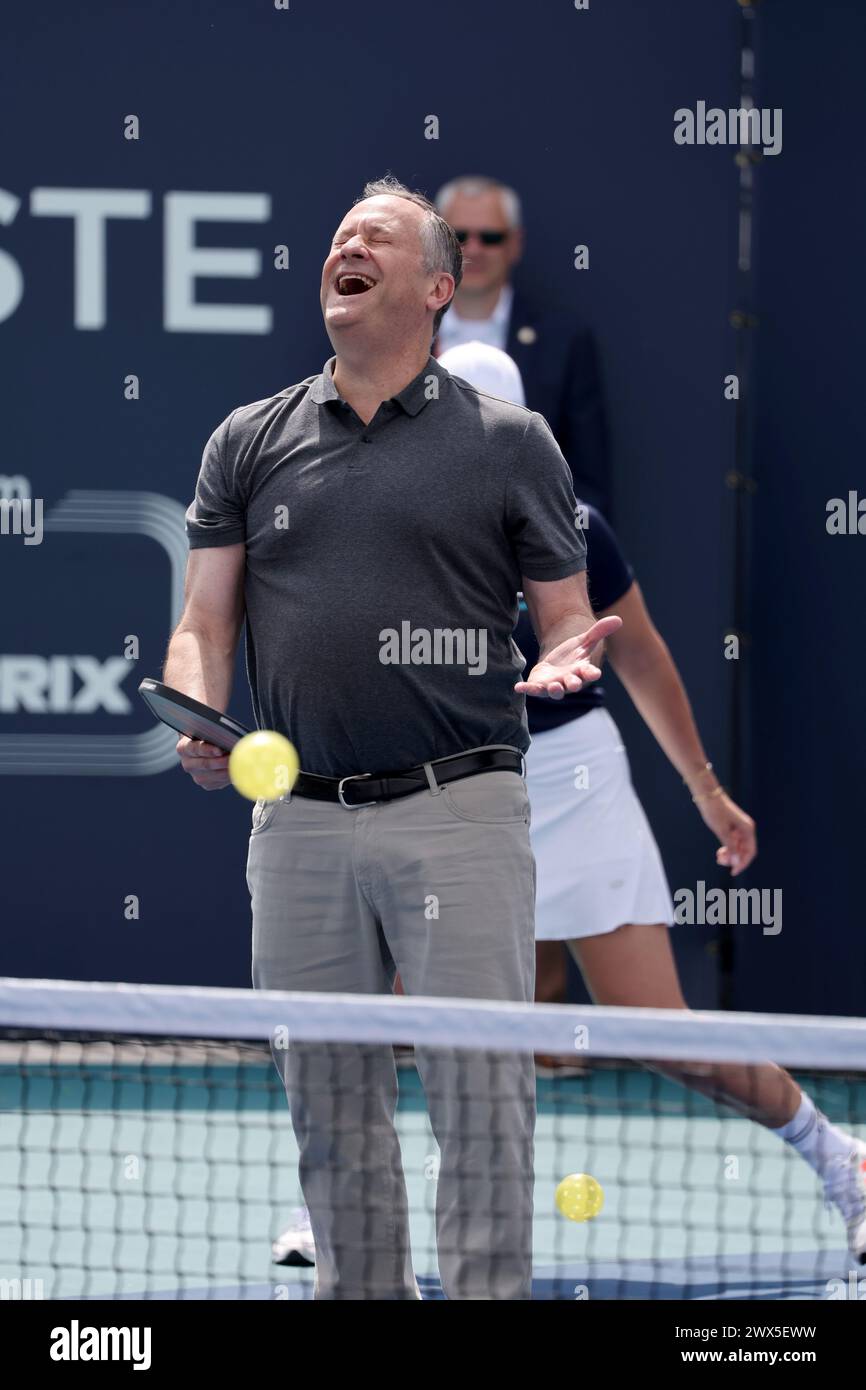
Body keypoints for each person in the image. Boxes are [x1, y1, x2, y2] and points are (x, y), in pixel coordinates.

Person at [273, 342, 866, 1273]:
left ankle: (847, 1167)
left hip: (573, 785)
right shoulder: (389, 514)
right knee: (385, 1017)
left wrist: (706, 790)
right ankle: (350, 1212)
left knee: (663, 1038)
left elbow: (643, 657)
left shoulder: (573, 521)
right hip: (451, 788)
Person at [166, 179, 620, 1301]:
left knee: (480, 1101)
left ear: (435, 286)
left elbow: (564, 611)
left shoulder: (512, 445)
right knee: (330, 1109)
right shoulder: (247, 440)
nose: (345, 250)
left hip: (459, 809)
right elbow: (201, 624)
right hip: (299, 823)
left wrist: (566, 653)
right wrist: (200, 715)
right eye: (336, 240)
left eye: (373, 239)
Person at [434, 175, 610, 511]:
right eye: (458, 236)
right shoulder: (401, 331)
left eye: (490, 237)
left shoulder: (565, 341)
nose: (473, 249)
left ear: (515, 244)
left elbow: (589, 480)